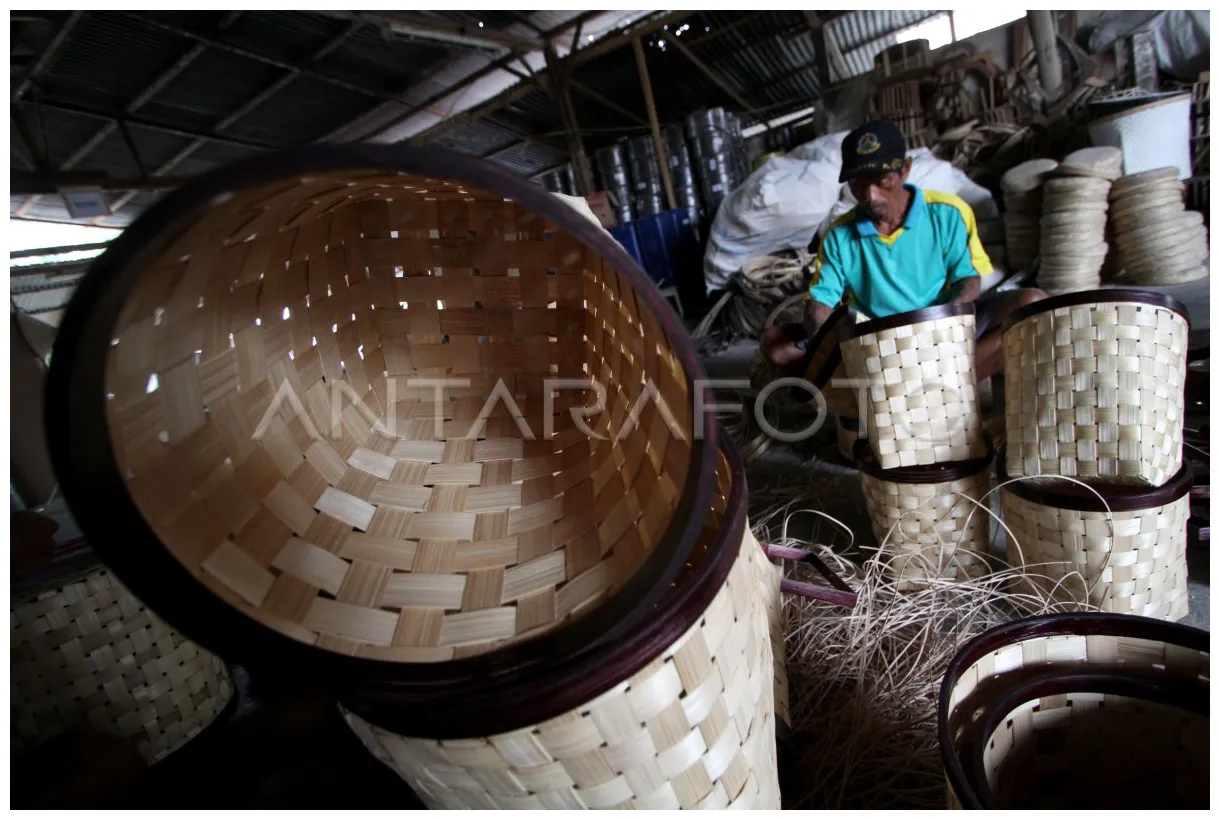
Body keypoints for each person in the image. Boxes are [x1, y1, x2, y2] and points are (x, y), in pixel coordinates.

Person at [762, 119, 1045, 382]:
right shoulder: (839, 235)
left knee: (1032, 304)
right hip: (881, 342)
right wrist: (828, 338)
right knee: (777, 346)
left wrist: (947, 324)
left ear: (905, 169)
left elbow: (968, 279)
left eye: (881, 181)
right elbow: (821, 302)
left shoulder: (948, 213)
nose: (870, 195)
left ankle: (948, 381)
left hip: (943, 326)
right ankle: (919, 384)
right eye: (858, 185)